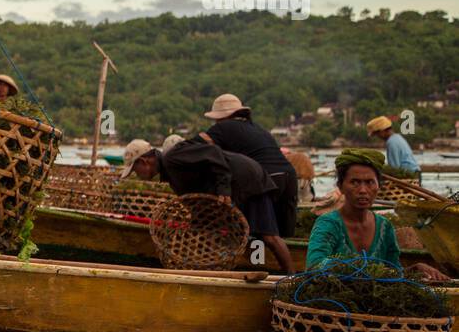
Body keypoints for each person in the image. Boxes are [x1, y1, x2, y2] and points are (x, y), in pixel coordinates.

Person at [122, 135, 295, 273]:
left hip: (246, 178)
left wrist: (224, 189)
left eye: (135, 170)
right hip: (238, 182)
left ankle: (291, 277)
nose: (137, 175)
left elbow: (214, 154)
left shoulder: (174, 157)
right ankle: (222, 272)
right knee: (226, 235)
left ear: (144, 161)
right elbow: (198, 203)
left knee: (268, 236)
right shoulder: (172, 175)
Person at [306, 150, 447, 280]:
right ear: (341, 186)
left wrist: (415, 269)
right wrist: (356, 269)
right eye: (354, 182)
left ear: (378, 186)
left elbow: (393, 273)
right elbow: (314, 267)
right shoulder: (328, 224)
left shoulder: (385, 227)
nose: (363, 190)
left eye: (369, 182)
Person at [199, 93, 299, 240]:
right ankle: (281, 261)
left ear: (221, 117)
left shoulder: (222, 128)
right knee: (283, 234)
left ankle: (254, 261)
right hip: (289, 176)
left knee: (259, 232)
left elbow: (198, 147)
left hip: (265, 178)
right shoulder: (258, 128)